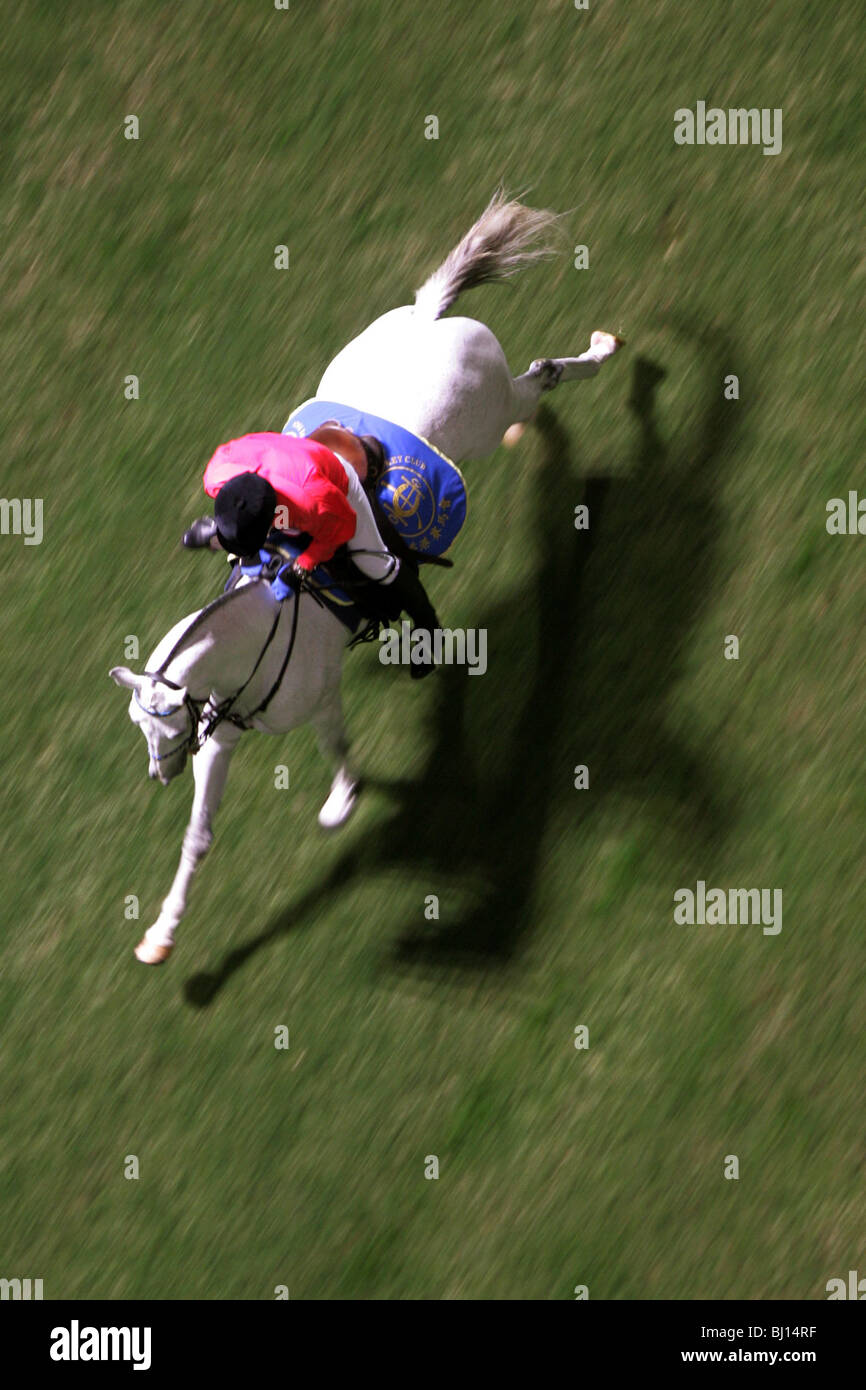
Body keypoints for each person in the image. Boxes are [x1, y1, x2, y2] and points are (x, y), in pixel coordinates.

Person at [184, 431, 439, 674]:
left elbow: (342, 528)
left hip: (330, 486)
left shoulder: (313, 503)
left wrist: (301, 567)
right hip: (285, 465)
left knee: (375, 564)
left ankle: (430, 631)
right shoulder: (215, 478)